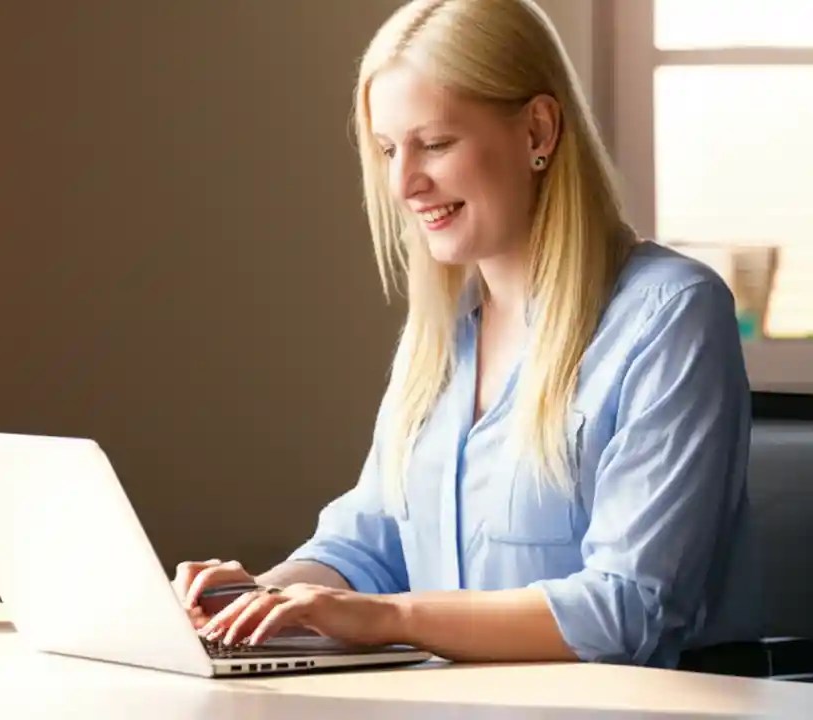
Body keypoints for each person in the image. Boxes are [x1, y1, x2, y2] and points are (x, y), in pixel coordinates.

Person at [173, 0, 760, 669]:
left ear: (538, 130)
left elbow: (625, 612)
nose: (402, 183)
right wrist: (251, 602)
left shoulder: (672, 315)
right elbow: (366, 550)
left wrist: (391, 616)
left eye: (436, 143)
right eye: (389, 149)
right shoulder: (442, 338)